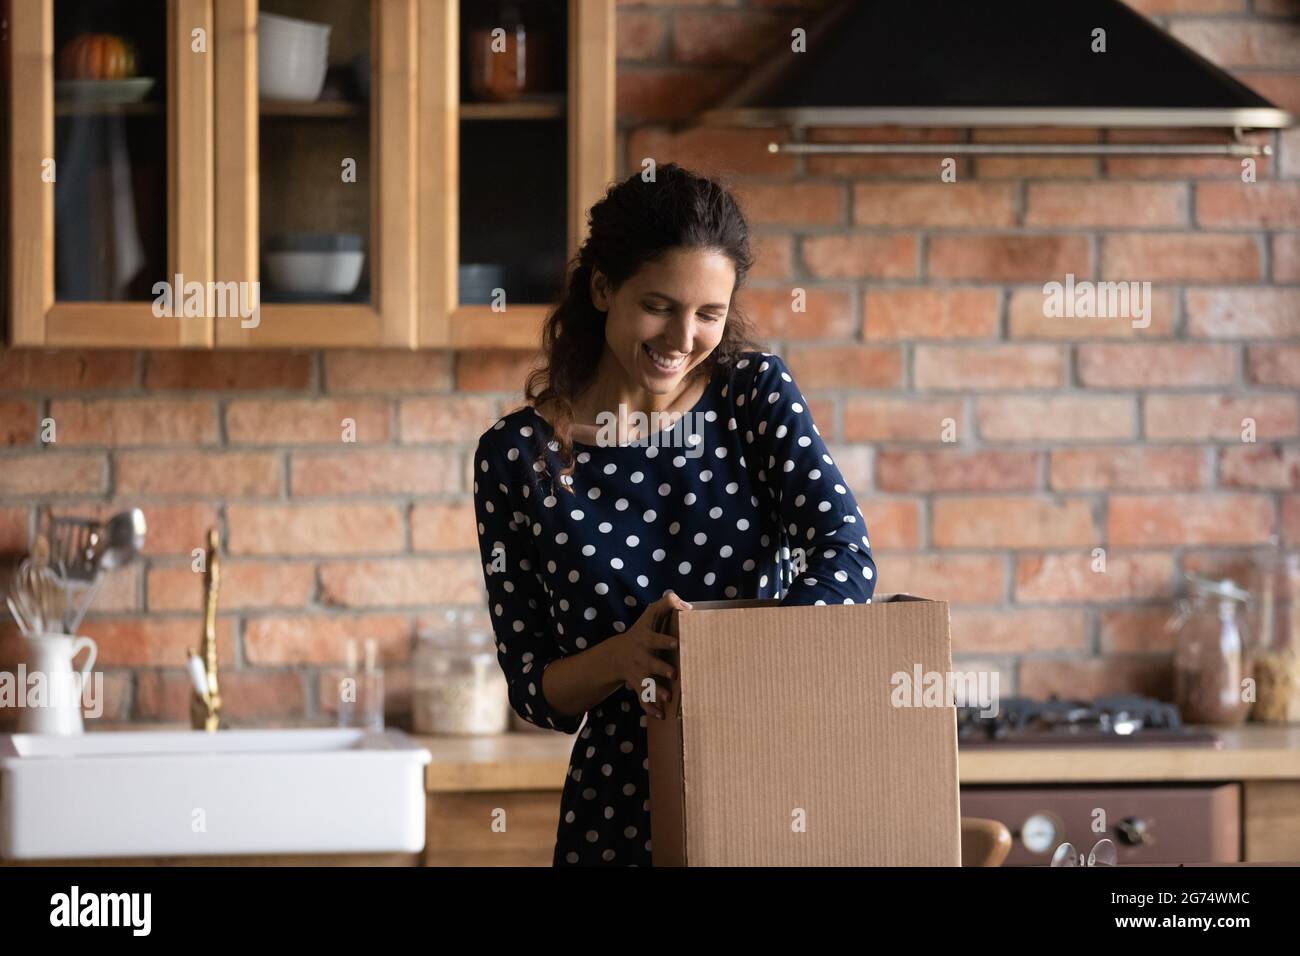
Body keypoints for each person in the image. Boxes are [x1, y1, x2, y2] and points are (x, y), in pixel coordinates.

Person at [472, 163, 878, 866]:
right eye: (658, 305)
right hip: (618, 808)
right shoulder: (518, 458)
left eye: (709, 315)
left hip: (773, 779)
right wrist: (623, 658)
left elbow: (845, 555)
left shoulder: (752, 397)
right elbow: (535, 690)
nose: (682, 337)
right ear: (603, 288)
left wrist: (752, 657)